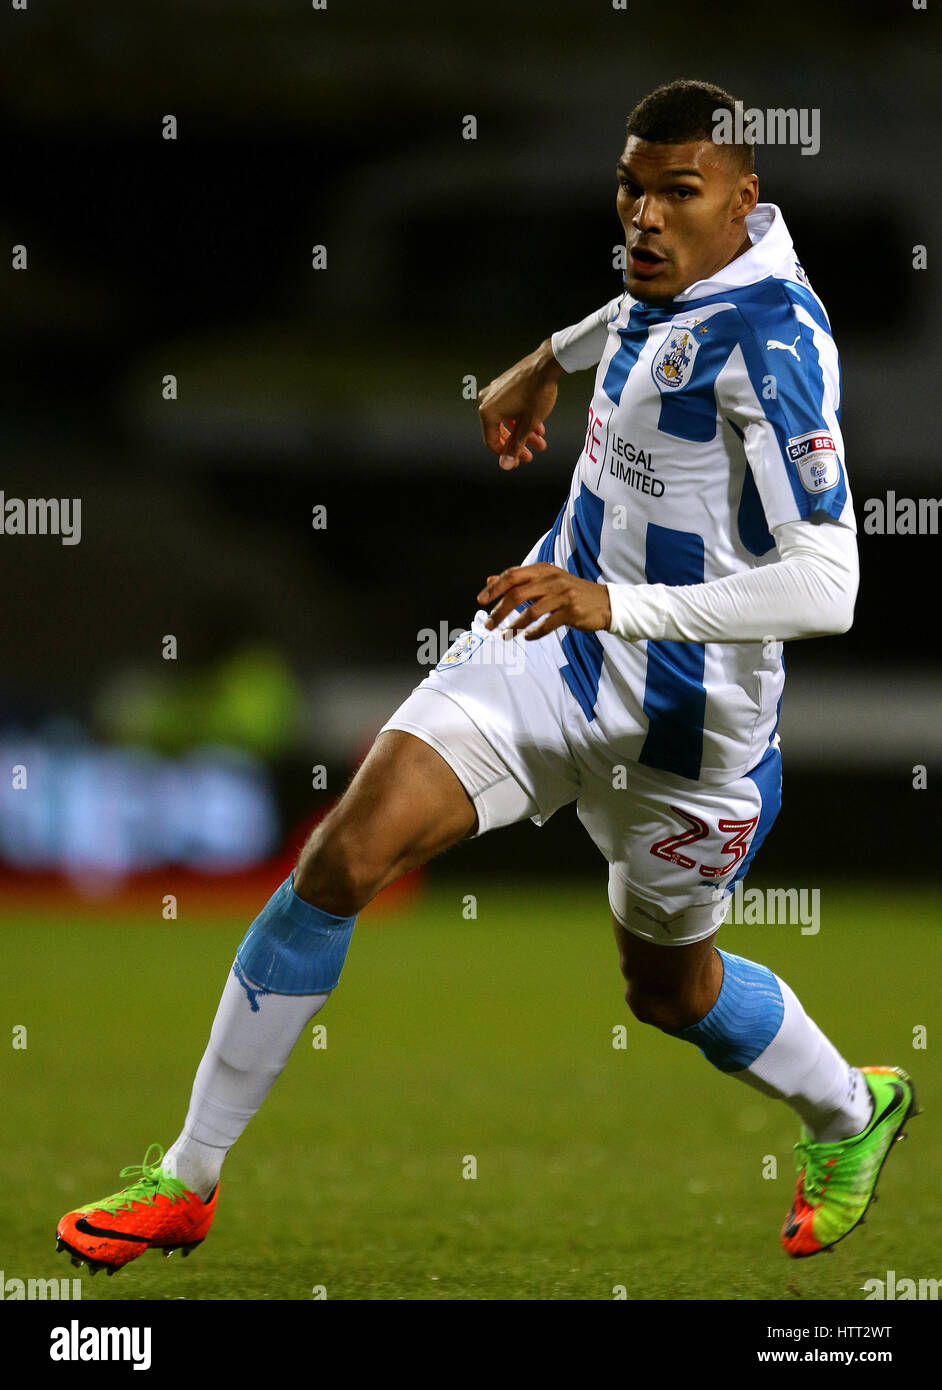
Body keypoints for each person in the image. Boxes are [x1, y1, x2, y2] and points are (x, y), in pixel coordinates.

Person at [57, 78, 915, 1277]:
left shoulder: (775, 346)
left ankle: (848, 1109)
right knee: (341, 855)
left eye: (680, 194)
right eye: (634, 190)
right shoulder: (678, 274)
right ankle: (187, 1180)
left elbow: (833, 587)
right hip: (542, 653)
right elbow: (640, 316)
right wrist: (543, 358)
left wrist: (618, 602)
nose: (647, 220)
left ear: (744, 201)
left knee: (669, 992)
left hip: (688, 732)